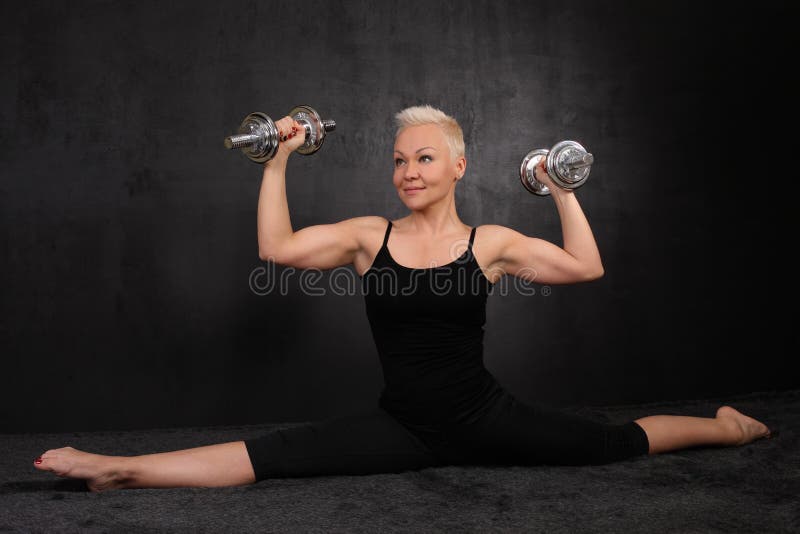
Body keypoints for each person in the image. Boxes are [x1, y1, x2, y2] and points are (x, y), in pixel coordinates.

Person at [33, 105, 772, 492]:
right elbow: (276, 248)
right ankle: (118, 468)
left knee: (612, 442)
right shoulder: (366, 237)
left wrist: (560, 186)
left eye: (424, 158)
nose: (408, 171)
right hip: (404, 428)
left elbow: (586, 267)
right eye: (398, 160)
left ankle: (729, 429)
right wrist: (278, 158)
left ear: (457, 165)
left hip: (488, 421)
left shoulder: (491, 243)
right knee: (276, 456)